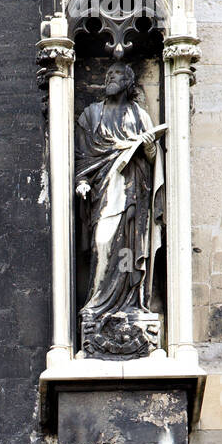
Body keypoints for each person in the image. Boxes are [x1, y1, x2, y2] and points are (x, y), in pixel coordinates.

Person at [75, 62, 164, 352]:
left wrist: (149, 145)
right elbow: (82, 156)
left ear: (128, 82)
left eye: (115, 75)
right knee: (102, 242)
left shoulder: (139, 115)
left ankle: (130, 304)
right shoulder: (91, 115)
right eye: (107, 75)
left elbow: (154, 159)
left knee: (130, 243)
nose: (109, 78)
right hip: (103, 188)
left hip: (134, 189)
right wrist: (82, 180)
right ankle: (97, 304)